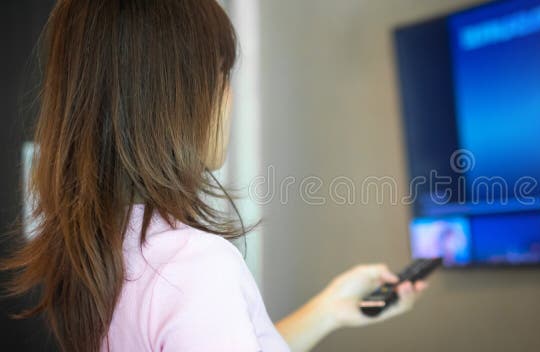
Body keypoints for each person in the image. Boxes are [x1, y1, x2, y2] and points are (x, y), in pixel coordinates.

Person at [0, 1, 427, 351]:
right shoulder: (197, 266)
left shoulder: (102, 251)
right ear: (180, 98)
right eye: (223, 75)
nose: (230, 95)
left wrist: (330, 309)